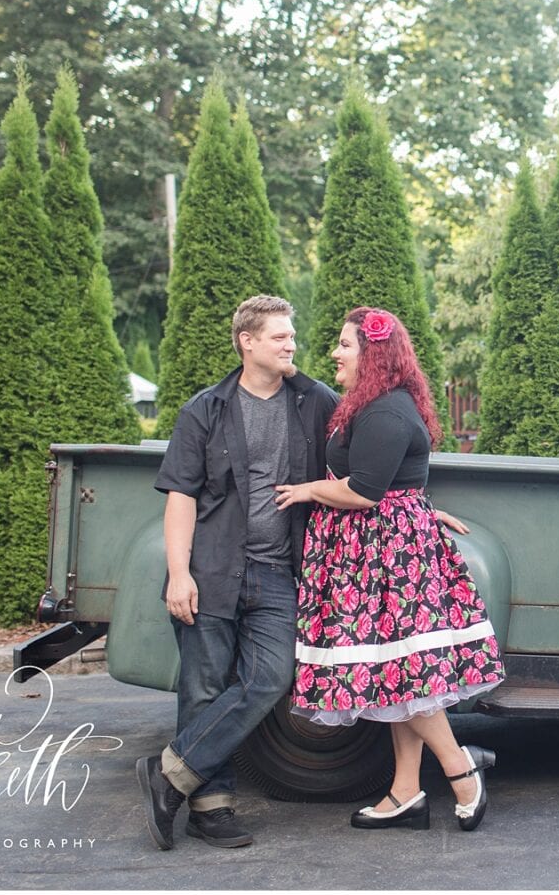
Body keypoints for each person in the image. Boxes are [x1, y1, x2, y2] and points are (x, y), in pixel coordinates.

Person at [274, 306, 506, 832]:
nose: (335, 352)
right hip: (381, 546)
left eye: (345, 345)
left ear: (372, 355)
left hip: (386, 555)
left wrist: (309, 489)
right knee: (394, 676)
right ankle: (406, 793)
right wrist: (285, 368)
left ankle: (460, 771)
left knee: (405, 676)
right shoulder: (371, 404)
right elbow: (395, 483)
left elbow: (363, 491)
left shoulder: (383, 413)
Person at [135, 294, 340, 851]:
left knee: (270, 678)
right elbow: (181, 497)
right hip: (212, 570)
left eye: (291, 335)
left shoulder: (315, 401)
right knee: (203, 687)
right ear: (247, 342)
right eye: (279, 336)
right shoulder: (206, 409)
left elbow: (368, 454)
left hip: (278, 572)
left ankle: (170, 773)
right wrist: (180, 573)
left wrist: (410, 502)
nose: (291, 343)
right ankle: (211, 806)